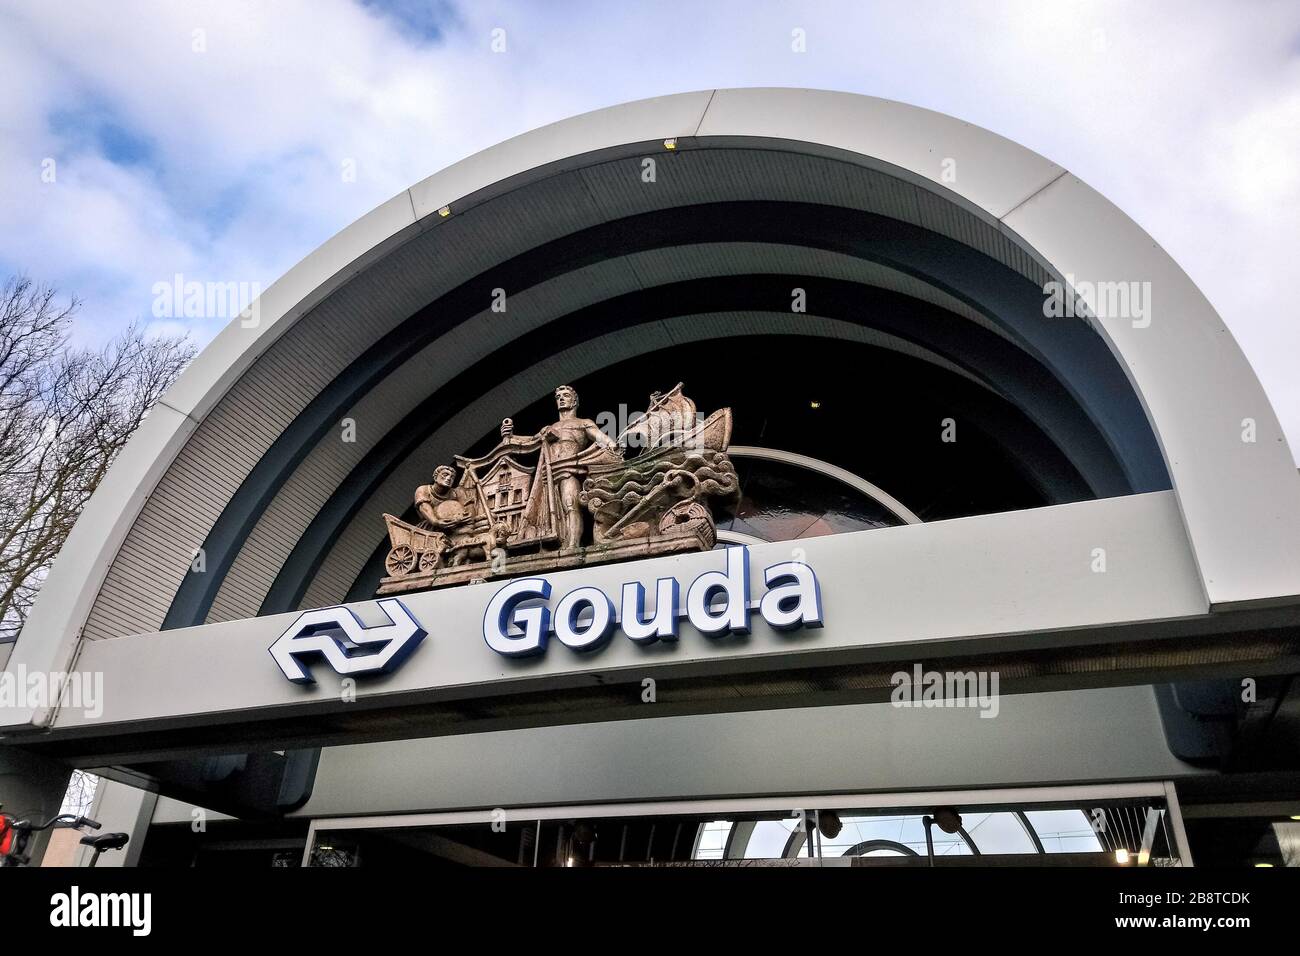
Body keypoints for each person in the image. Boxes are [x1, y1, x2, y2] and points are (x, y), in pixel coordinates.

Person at [534, 385, 618, 549]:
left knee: (571, 505)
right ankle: (558, 544)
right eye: (558, 397)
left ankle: (572, 545)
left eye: (565, 395)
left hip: (568, 470)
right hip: (548, 477)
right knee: (550, 514)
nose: (561, 399)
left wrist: (612, 445)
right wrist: (509, 436)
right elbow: (528, 443)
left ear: (575, 401)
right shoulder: (548, 428)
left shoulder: (583, 423)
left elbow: (601, 438)